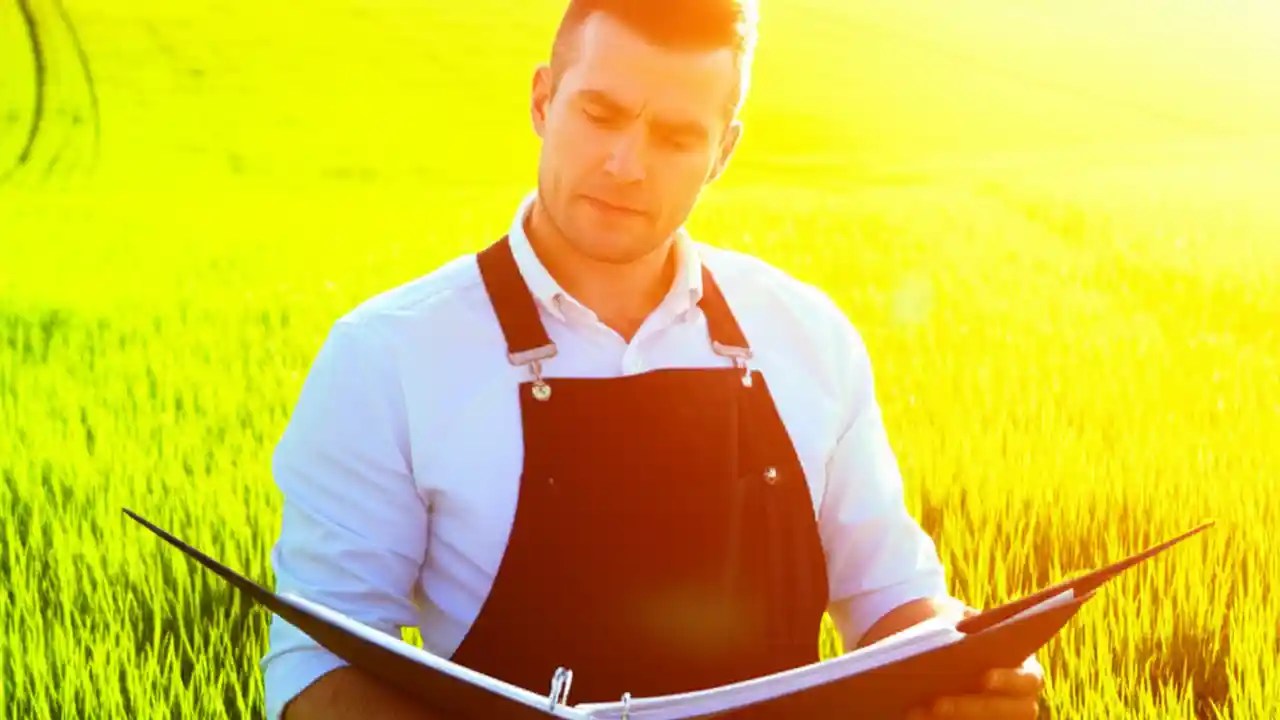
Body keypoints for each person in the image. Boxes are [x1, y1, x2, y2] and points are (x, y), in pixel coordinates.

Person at [260, 1, 1046, 718]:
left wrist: (977, 671)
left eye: (675, 136)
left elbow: (896, 601)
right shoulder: (387, 355)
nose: (627, 164)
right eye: (600, 114)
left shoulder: (807, 335)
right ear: (542, 100)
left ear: (724, 151)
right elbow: (316, 664)